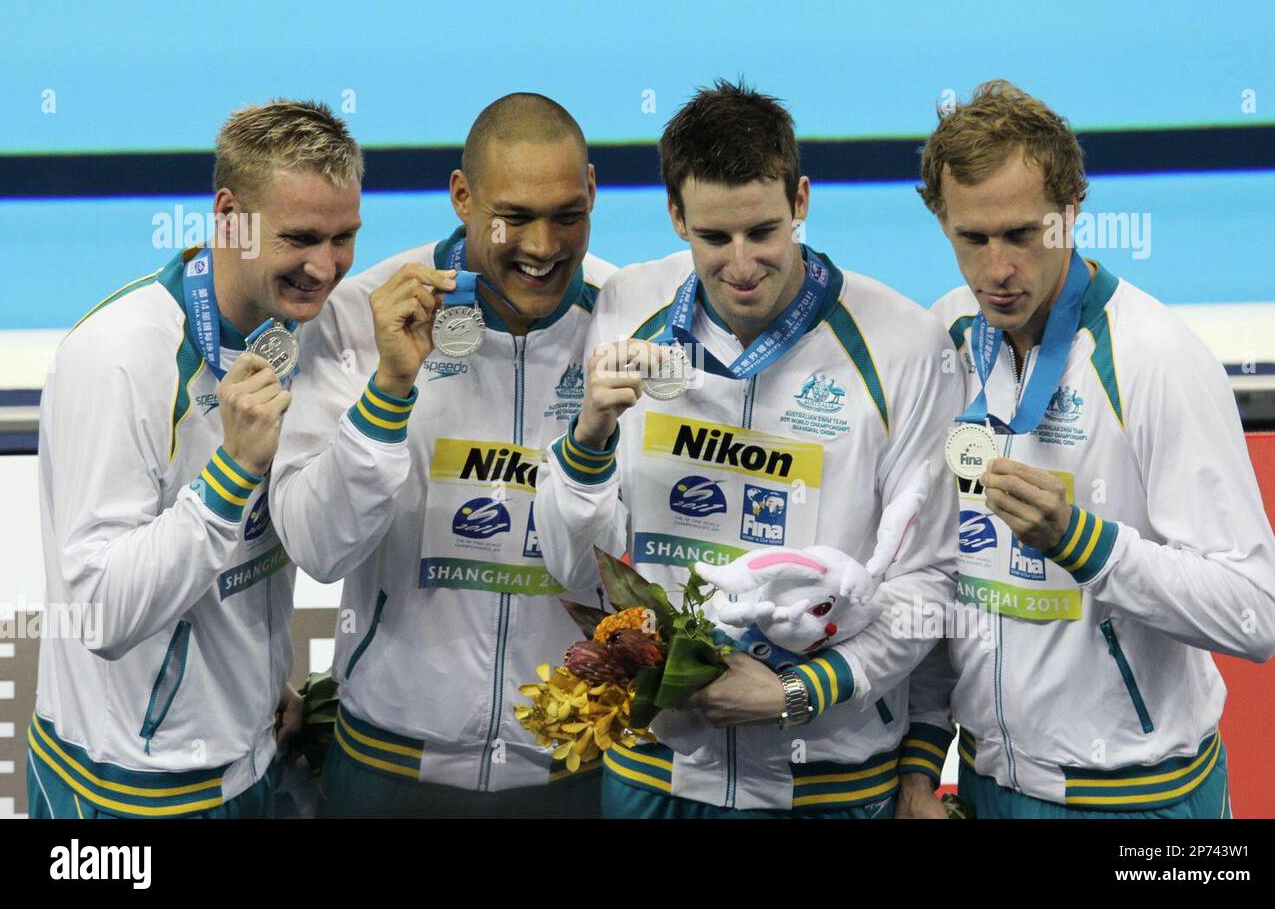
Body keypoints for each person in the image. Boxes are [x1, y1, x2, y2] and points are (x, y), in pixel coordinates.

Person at [534, 79, 961, 818]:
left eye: (762, 231)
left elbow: (934, 578)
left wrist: (800, 690)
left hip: (829, 781)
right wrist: (589, 442)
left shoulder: (902, 345)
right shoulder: (628, 310)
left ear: (800, 200)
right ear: (675, 216)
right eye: (714, 237)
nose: (741, 264)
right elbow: (574, 568)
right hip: (656, 775)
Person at [900, 80, 1275, 819]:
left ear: (1072, 210)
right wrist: (923, 759)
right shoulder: (947, 336)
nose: (998, 270)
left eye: (1021, 234)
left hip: (1138, 799)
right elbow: (941, 574)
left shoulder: (1154, 358)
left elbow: (1257, 614)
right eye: (972, 239)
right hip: (987, 787)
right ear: (939, 217)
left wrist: (1086, 542)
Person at [269, 93, 615, 817]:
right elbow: (317, 548)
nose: (543, 245)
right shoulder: (362, 317)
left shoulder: (625, 321)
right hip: (391, 766)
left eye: (566, 215)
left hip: (573, 770)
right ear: (462, 196)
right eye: (514, 217)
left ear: (592, 190)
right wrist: (391, 388)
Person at [27, 100, 363, 818]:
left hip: (254, 760)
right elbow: (100, 614)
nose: (324, 266)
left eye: (345, 238)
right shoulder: (119, 359)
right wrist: (230, 476)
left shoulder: (305, 330)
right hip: (125, 791)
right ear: (229, 215)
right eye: (300, 237)